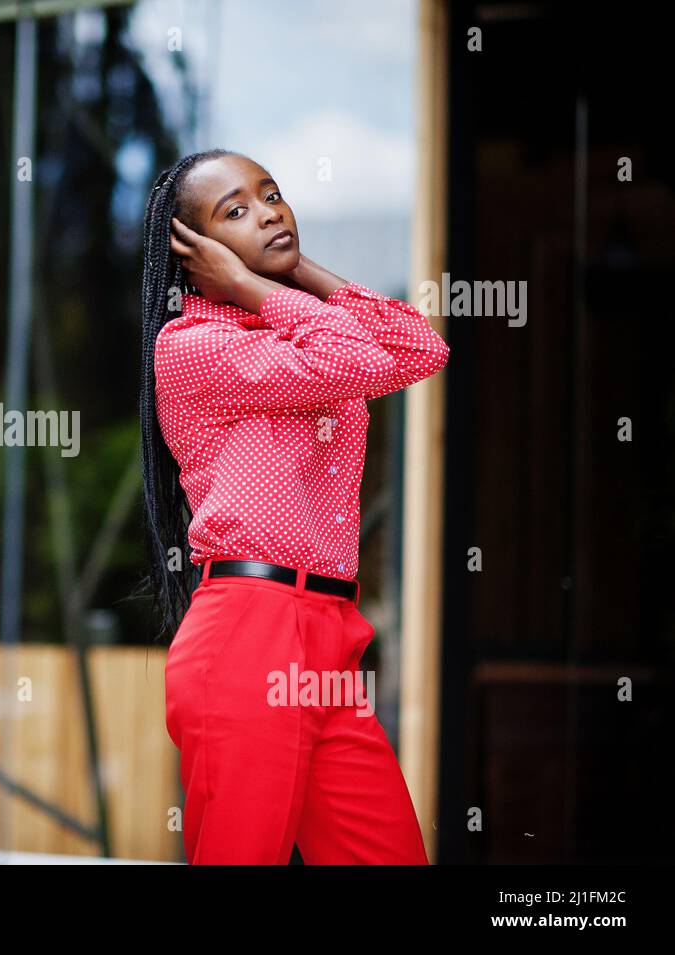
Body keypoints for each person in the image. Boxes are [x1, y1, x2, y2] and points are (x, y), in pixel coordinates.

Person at [137, 148, 449, 864]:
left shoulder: (295, 328)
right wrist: (254, 285)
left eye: (270, 194)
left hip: (330, 638)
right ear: (197, 253)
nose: (269, 212)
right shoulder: (194, 347)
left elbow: (418, 345)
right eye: (235, 211)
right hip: (248, 636)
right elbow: (359, 362)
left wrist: (291, 270)